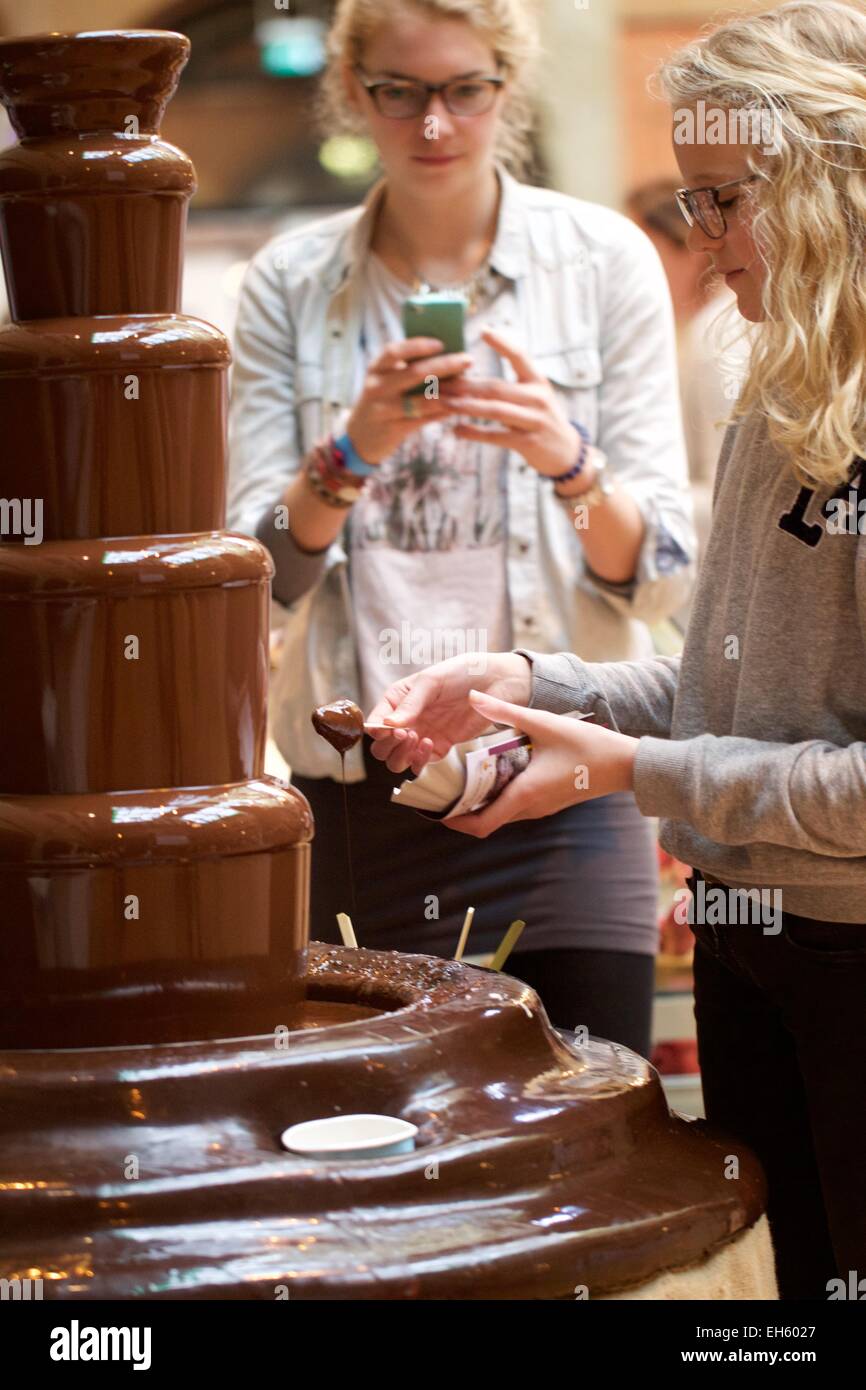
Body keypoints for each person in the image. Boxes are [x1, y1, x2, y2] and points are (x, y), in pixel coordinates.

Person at [368, 0, 866, 1302]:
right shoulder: (777, 380)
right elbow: (729, 692)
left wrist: (626, 768)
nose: (697, 246)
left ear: (827, 179)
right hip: (751, 930)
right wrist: (532, 683)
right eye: (684, 202)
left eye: (720, 201)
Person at [228, 0, 695, 1054]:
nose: (433, 125)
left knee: (582, 1119)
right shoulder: (290, 287)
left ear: (504, 88)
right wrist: (347, 453)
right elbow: (259, 581)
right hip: (356, 788)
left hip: (561, 779)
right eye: (399, 93)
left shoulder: (601, 261)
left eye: (463, 91)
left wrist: (563, 461)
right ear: (353, 91)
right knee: (380, 1139)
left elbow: (659, 577)